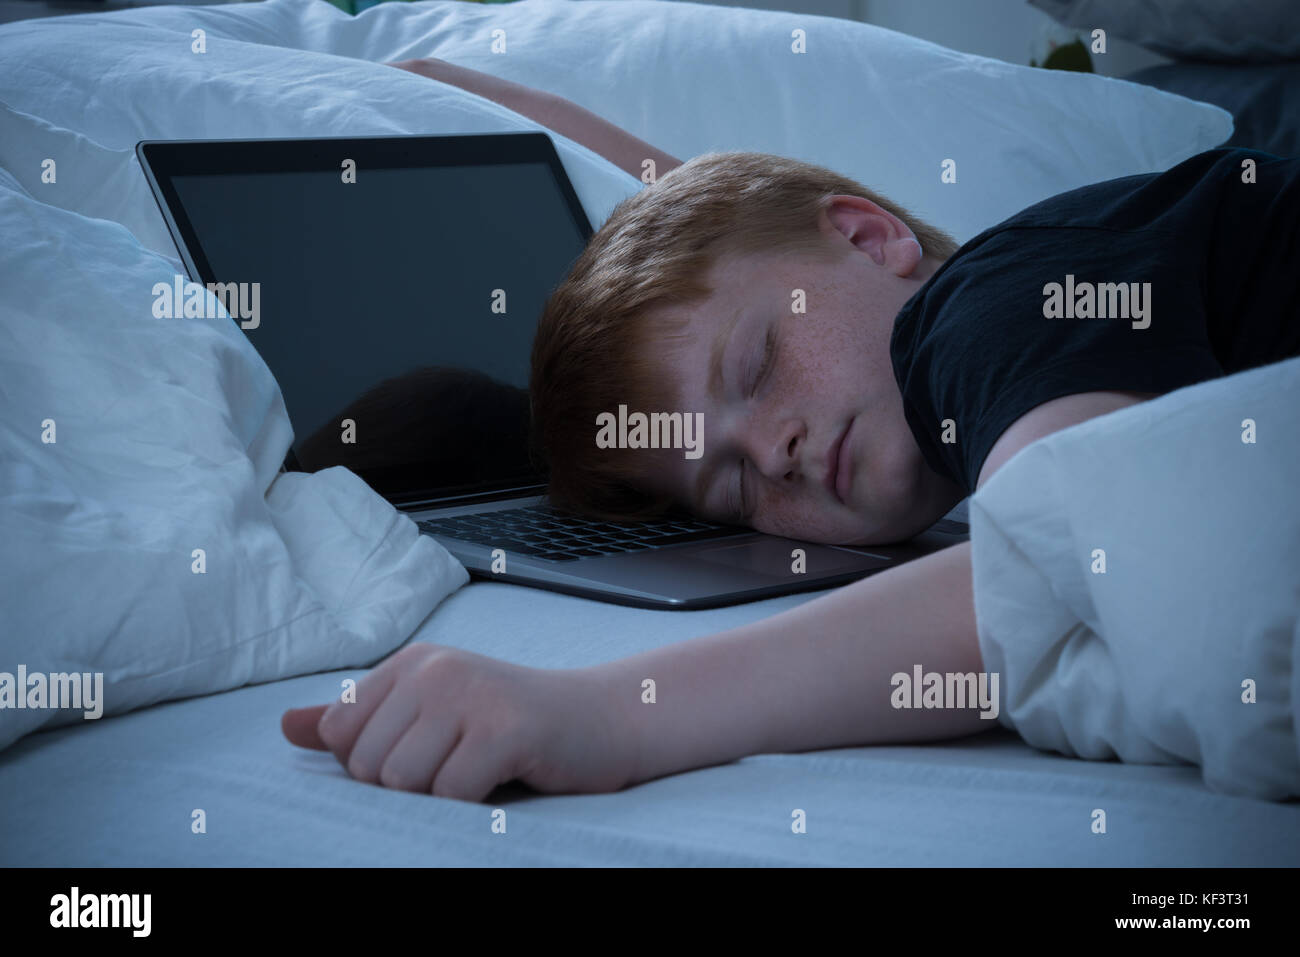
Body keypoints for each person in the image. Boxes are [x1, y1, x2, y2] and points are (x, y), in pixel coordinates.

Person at [281, 58, 1300, 801]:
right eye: (732, 487)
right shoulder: (908, 303)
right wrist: (498, 99)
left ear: (871, 237)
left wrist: (597, 712)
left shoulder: (987, 304)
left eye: (756, 368)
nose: (773, 450)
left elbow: (1063, 555)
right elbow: (749, 234)